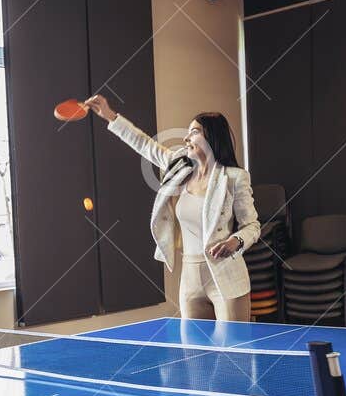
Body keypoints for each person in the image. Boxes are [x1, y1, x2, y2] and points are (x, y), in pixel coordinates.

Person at [83, 95, 260, 321]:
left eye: (194, 131)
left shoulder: (234, 178)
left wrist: (236, 241)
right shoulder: (179, 166)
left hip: (226, 277)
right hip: (189, 278)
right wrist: (110, 116)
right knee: (194, 354)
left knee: (235, 354)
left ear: (211, 137)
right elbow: (145, 145)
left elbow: (252, 225)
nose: (187, 137)